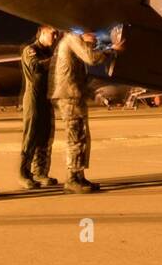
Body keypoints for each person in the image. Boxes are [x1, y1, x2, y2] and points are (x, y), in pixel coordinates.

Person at [50, 25, 128, 193]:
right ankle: (72, 179)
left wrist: (92, 94)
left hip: (75, 95)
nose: (94, 37)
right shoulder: (72, 38)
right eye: (90, 33)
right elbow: (91, 58)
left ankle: (78, 176)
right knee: (75, 137)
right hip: (70, 97)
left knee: (81, 136)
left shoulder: (73, 40)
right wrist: (111, 50)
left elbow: (80, 72)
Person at [19, 24, 59, 189]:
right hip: (33, 98)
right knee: (31, 136)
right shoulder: (31, 50)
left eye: (57, 35)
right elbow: (36, 67)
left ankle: (40, 172)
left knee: (46, 136)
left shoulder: (49, 52)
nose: (55, 38)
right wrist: (56, 59)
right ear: (42, 32)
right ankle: (24, 174)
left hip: (46, 97)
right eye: (53, 34)